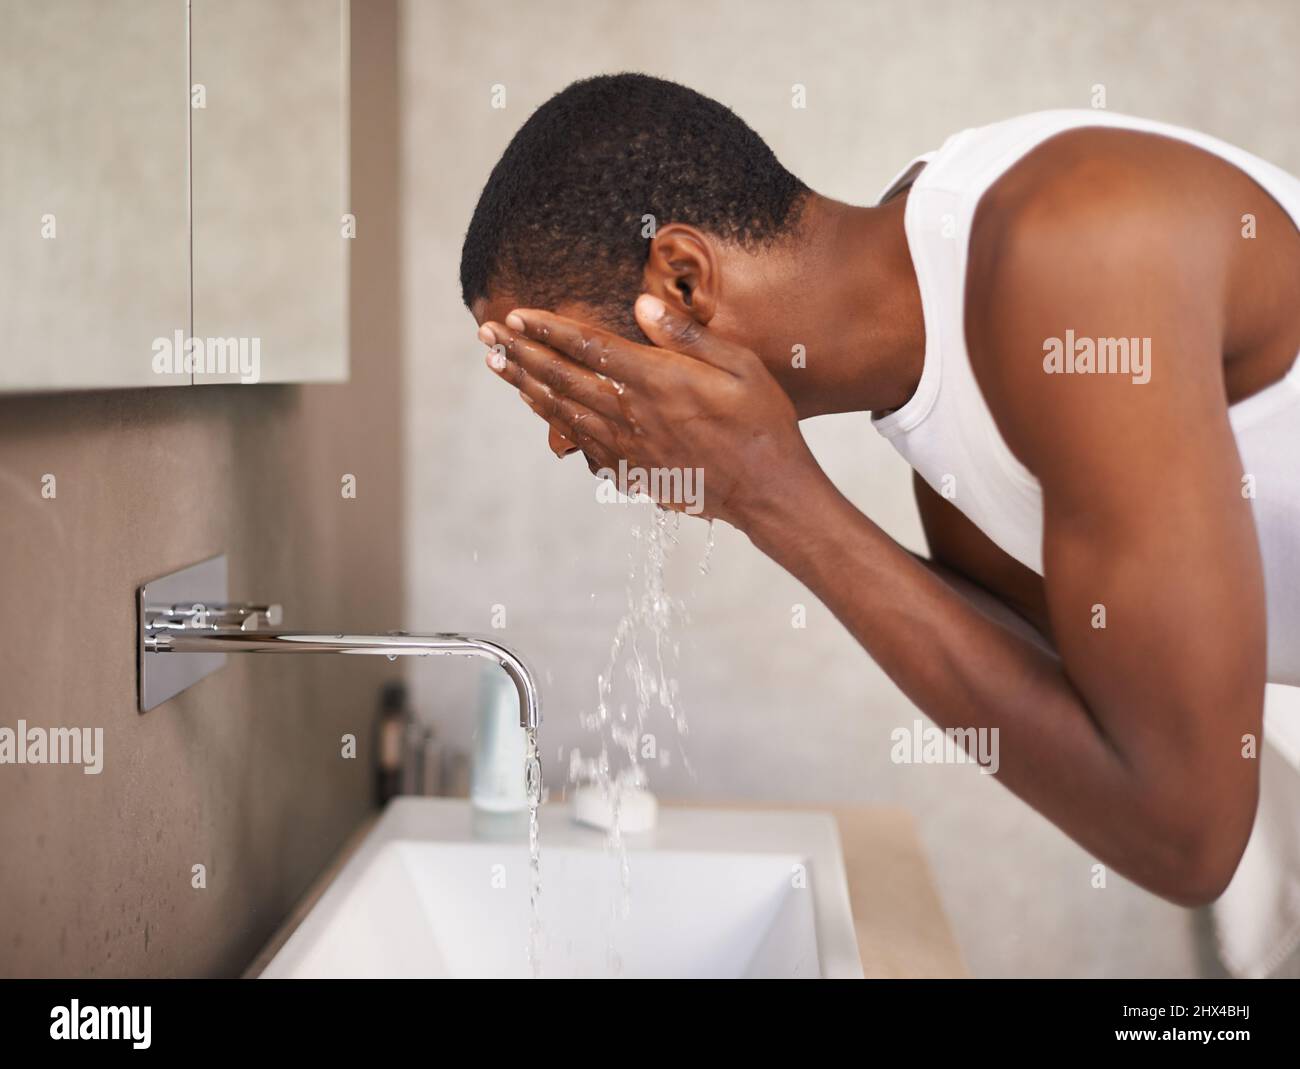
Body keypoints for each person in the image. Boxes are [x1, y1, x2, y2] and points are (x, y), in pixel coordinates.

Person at [462, 73, 1300, 905]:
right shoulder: (944, 389)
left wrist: (773, 495)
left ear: (682, 280)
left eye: (565, 375)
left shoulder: (1069, 255)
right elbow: (1095, 715)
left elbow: (1190, 836)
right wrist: (771, 494)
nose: (562, 435)